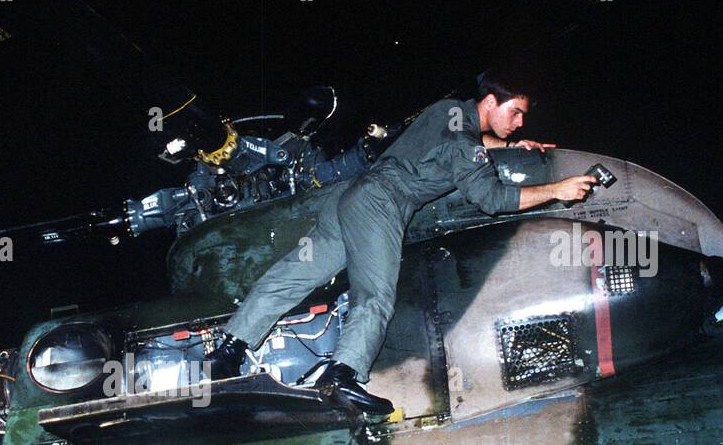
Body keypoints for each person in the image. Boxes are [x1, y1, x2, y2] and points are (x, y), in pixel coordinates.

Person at [205, 71, 599, 413]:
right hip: (382, 205)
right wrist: (557, 189)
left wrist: (508, 148)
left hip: (348, 198)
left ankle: (227, 352)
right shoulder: (464, 145)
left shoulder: (446, 110)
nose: (518, 122)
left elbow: (462, 144)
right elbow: (492, 199)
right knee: (374, 296)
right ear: (491, 101)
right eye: (515, 112)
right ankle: (341, 376)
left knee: (294, 276)